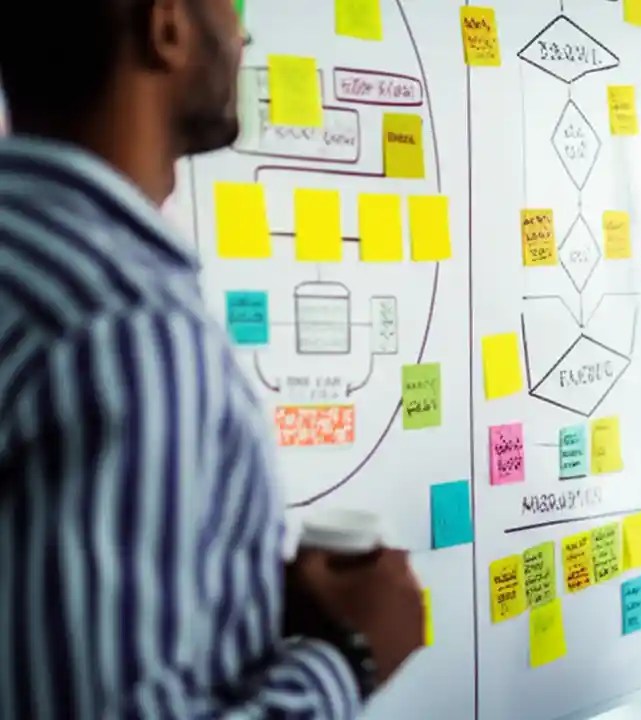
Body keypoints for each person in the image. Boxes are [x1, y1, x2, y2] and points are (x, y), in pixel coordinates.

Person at [0, 1, 421, 716]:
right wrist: (349, 660)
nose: (244, 32)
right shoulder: (127, 327)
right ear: (166, 26)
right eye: (228, 8)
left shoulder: (29, 264)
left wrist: (235, 599)